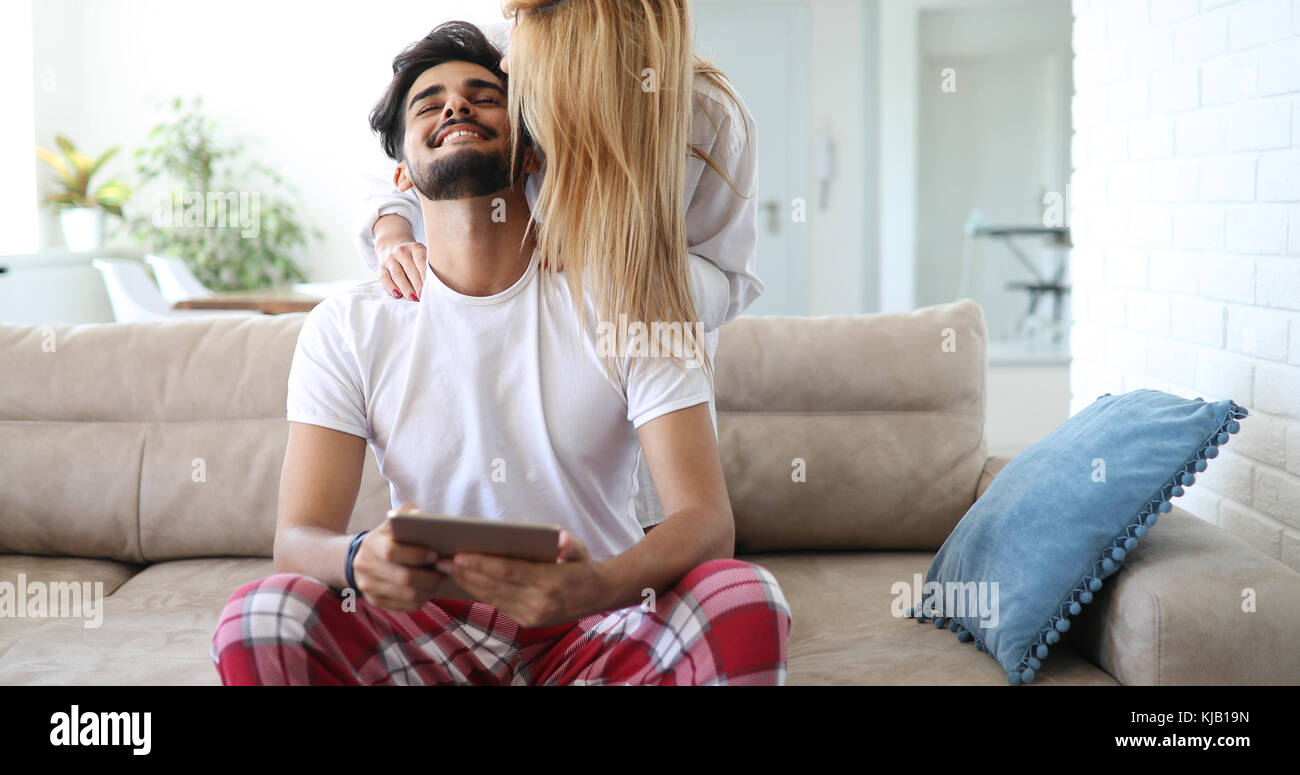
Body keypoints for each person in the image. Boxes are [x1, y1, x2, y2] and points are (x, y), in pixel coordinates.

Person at [211, 21, 791, 686]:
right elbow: (297, 538)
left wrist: (598, 585)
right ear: (399, 173)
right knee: (259, 613)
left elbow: (707, 521)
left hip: (594, 619)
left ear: (535, 154)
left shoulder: (631, 294)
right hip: (431, 629)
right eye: (429, 105)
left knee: (745, 597)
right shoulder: (347, 325)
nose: (456, 107)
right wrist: (355, 559)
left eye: (484, 98)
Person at [358, 0, 763, 532]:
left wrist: (609, 259)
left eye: (524, 22)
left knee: (651, 554)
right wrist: (390, 235)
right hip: (518, 381)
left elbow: (728, 280)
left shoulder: (706, 115)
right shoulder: (500, 52)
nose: (505, 57)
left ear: (585, 35)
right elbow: (407, 154)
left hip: (638, 382)